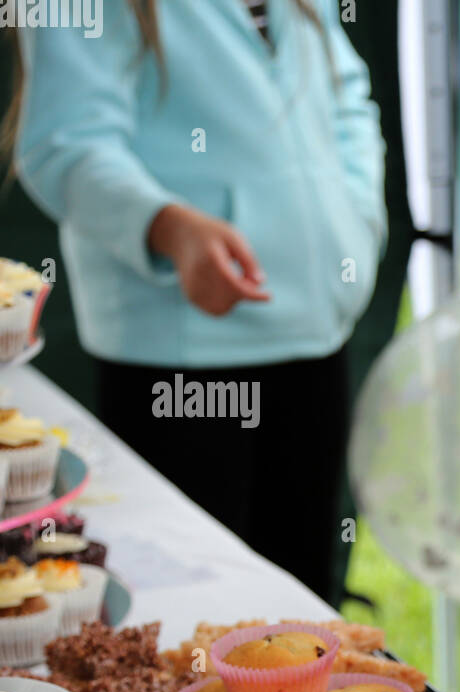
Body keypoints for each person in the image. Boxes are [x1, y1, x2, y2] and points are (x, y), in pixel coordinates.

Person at [7, 0, 384, 602]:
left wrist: (357, 219)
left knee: (306, 606)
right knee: (197, 615)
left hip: (316, 337)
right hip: (178, 356)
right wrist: (166, 225)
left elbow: (348, 98)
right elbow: (63, 144)